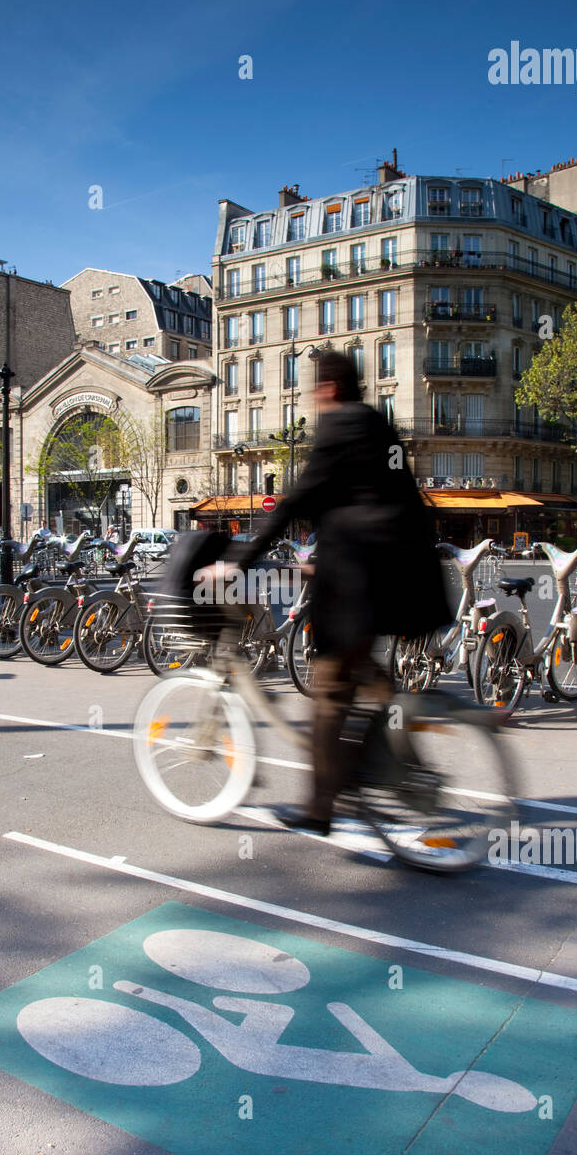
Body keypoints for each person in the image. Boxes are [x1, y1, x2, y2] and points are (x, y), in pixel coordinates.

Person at [231, 350, 451, 835]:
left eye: (315, 389)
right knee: (371, 679)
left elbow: (301, 498)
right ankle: (400, 764)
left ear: (329, 389)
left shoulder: (339, 425)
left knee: (329, 690)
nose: (314, 398)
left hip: (365, 582)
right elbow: (356, 501)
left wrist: (243, 559)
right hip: (398, 576)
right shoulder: (373, 422)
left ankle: (320, 807)